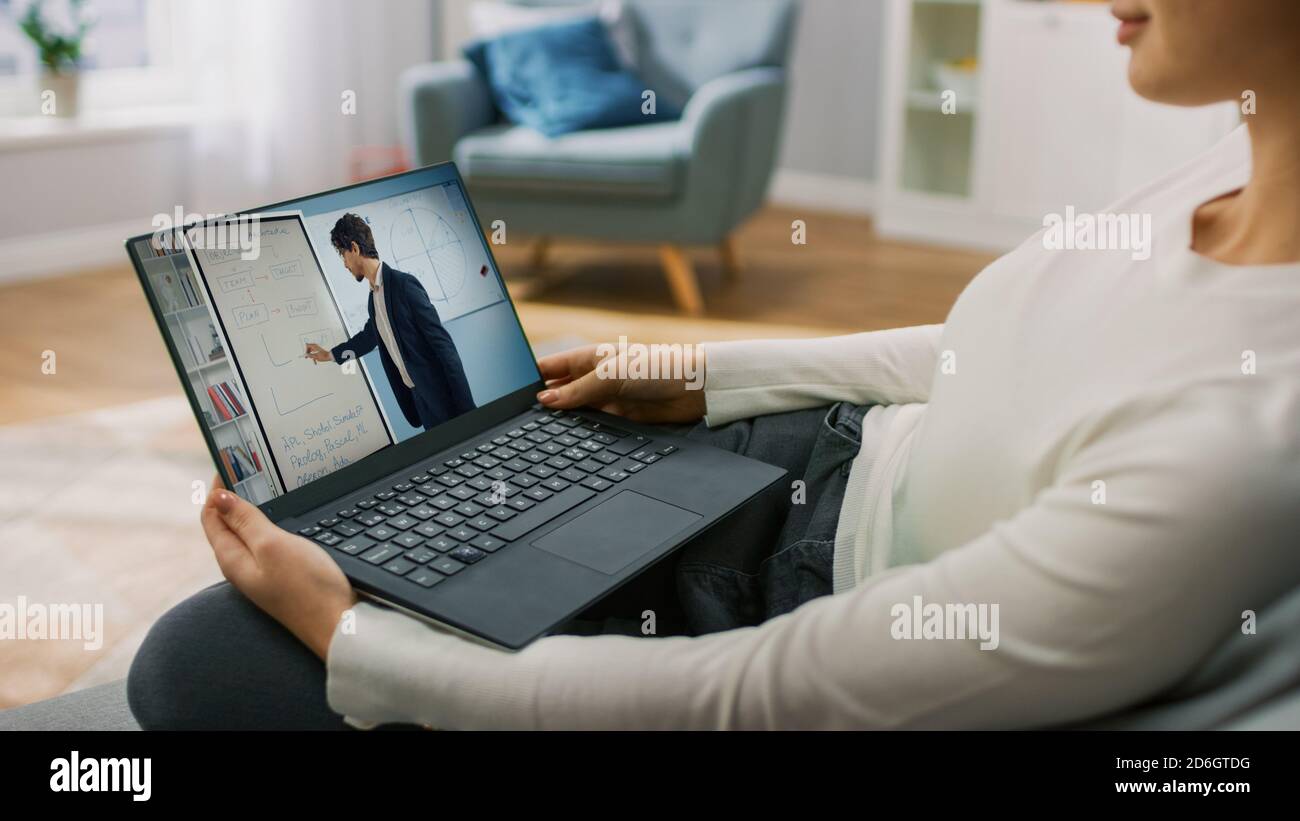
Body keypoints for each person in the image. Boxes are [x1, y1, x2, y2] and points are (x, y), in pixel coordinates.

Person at [127, 0, 1300, 730]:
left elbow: (767, 696)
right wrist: (702, 370)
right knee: (446, 496)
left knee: (200, 665)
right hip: (819, 448)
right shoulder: (1214, 168)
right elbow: (992, 351)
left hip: (801, 582)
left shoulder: (1250, 434)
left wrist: (359, 645)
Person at [305, 213, 475, 431]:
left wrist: (468, 411)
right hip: (420, 402)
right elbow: (368, 339)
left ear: (355, 249)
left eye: (343, 254)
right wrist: (329, 355)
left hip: (443, 398)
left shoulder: (404, 285)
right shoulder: (374, 298)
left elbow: (444, 346)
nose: (345, 264)